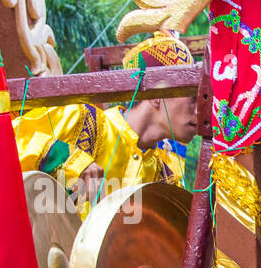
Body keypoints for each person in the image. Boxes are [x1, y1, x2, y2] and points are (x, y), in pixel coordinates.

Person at [14, 31, 197, 199]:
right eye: (193, 98)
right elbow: (5, 142)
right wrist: (65, 160)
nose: (200, 110)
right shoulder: (80, 119)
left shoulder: (164, 179)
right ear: (158, 95)